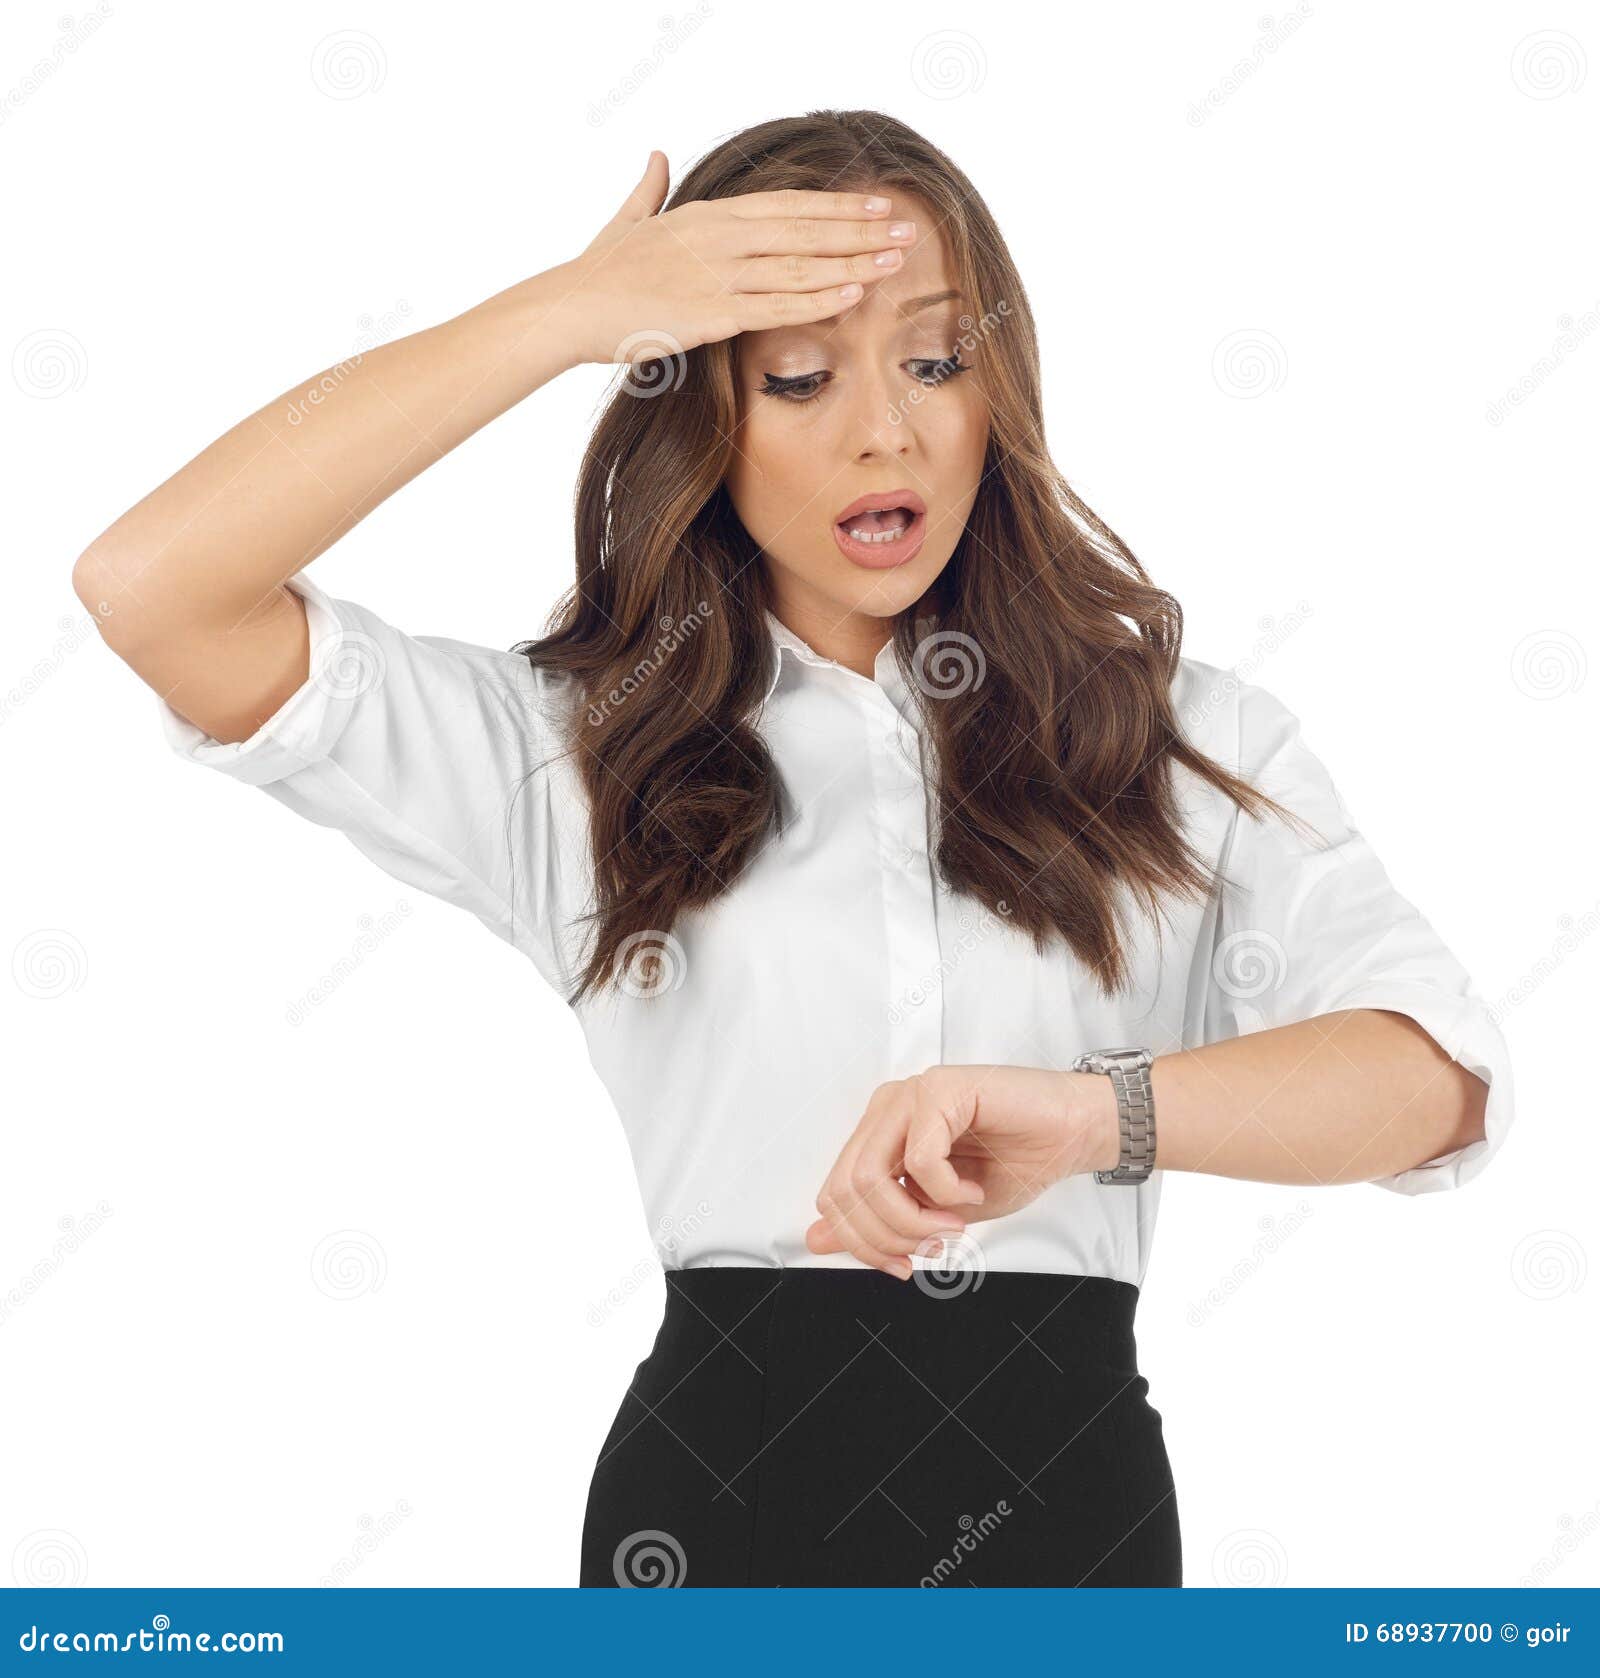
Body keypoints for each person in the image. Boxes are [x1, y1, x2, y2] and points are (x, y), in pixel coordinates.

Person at [73, 110, 1512, 1589]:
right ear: (707, 416)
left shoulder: (1179, 740)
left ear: (997, 389)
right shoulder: (574, 747)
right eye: (802, 375)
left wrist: (1094, 1117)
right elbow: (154, 588)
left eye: (936, 360)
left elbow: (1442, 1081)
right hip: (713, 1522)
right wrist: (566, 314)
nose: (882, 427)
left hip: (1072, 1519)